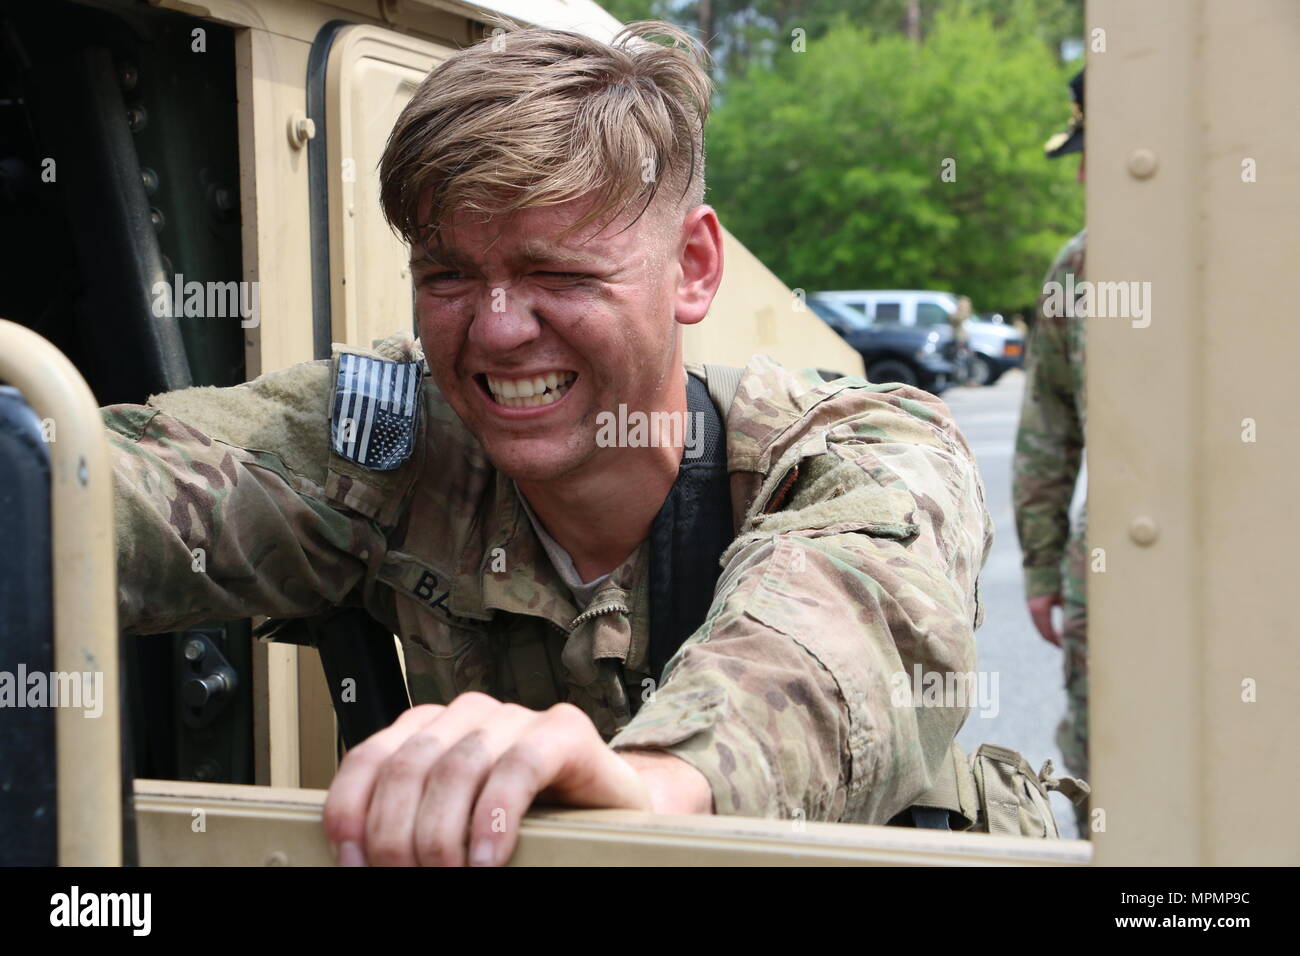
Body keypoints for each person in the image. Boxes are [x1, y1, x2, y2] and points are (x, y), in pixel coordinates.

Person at [105, 21, 992, 866]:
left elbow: (847, 626)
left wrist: (655, 783)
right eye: (449, 274)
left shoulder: (860, 448)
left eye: (557, 273)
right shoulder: (390, 437)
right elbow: (109, 489)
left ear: (693, 268)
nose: (495, 332)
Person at [1012, 69, 1088, 834]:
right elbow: (1047, 428)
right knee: (1112, 752)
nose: (1085, 173)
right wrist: (1041, 563)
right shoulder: (1081, 270)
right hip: (1116, 568)